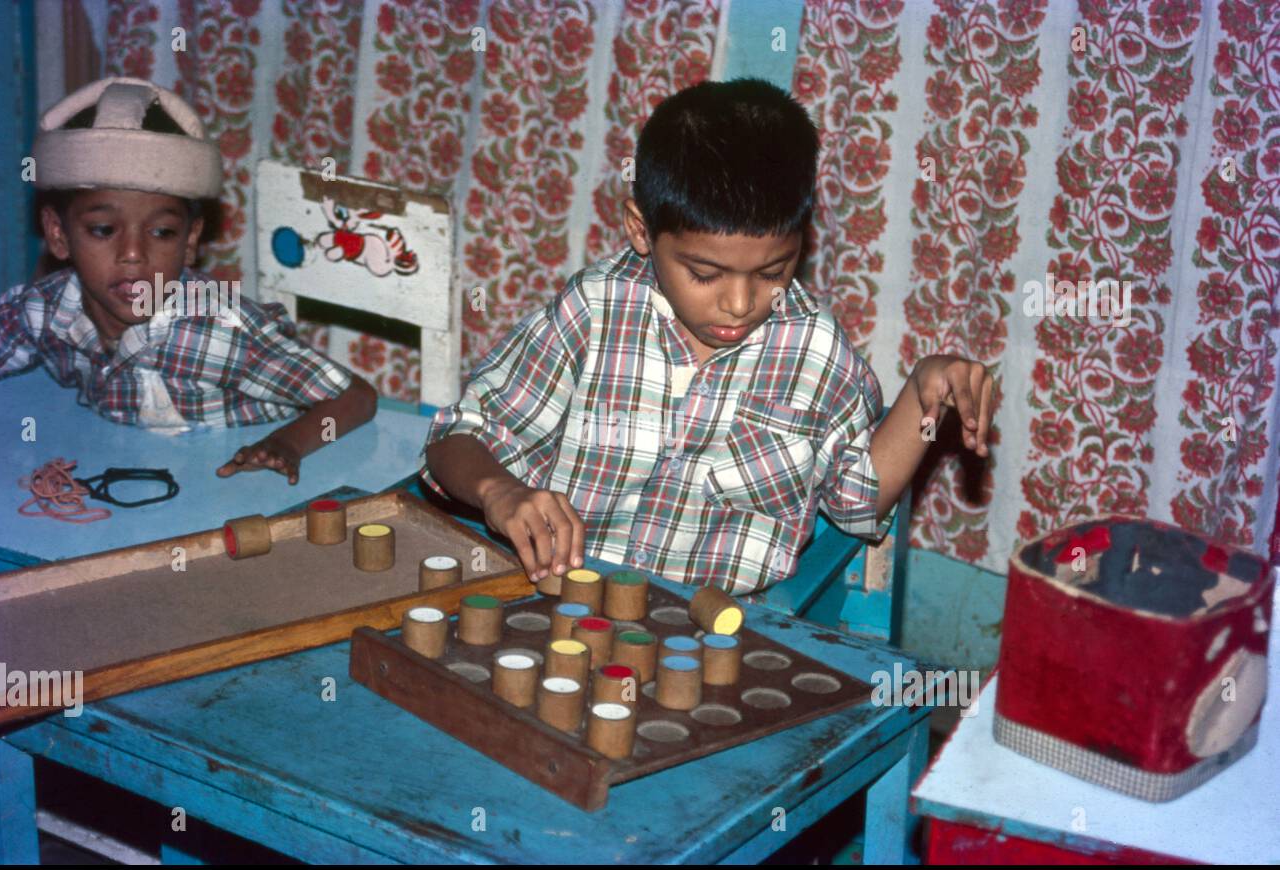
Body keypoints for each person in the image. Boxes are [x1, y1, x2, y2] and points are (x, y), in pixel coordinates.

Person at [422, 78, 994, 595]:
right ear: (641, 231)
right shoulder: (594, 312)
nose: (741, 304)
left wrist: (922, 397)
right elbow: (457, 436)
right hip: (557, 601)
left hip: (718, 633)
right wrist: (499, 491)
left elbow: (858, 504)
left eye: (772, 272)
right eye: (704, 273)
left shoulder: (815, 353)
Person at [0, 77, 375, 484]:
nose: (133, 254)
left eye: (162, 232)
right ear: (58, 234)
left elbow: (356, 397)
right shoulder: (41, 309)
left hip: (241, 479)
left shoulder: (221, 332)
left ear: (189, 241)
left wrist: (287, 444)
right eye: (103, 229)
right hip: (128, 468)